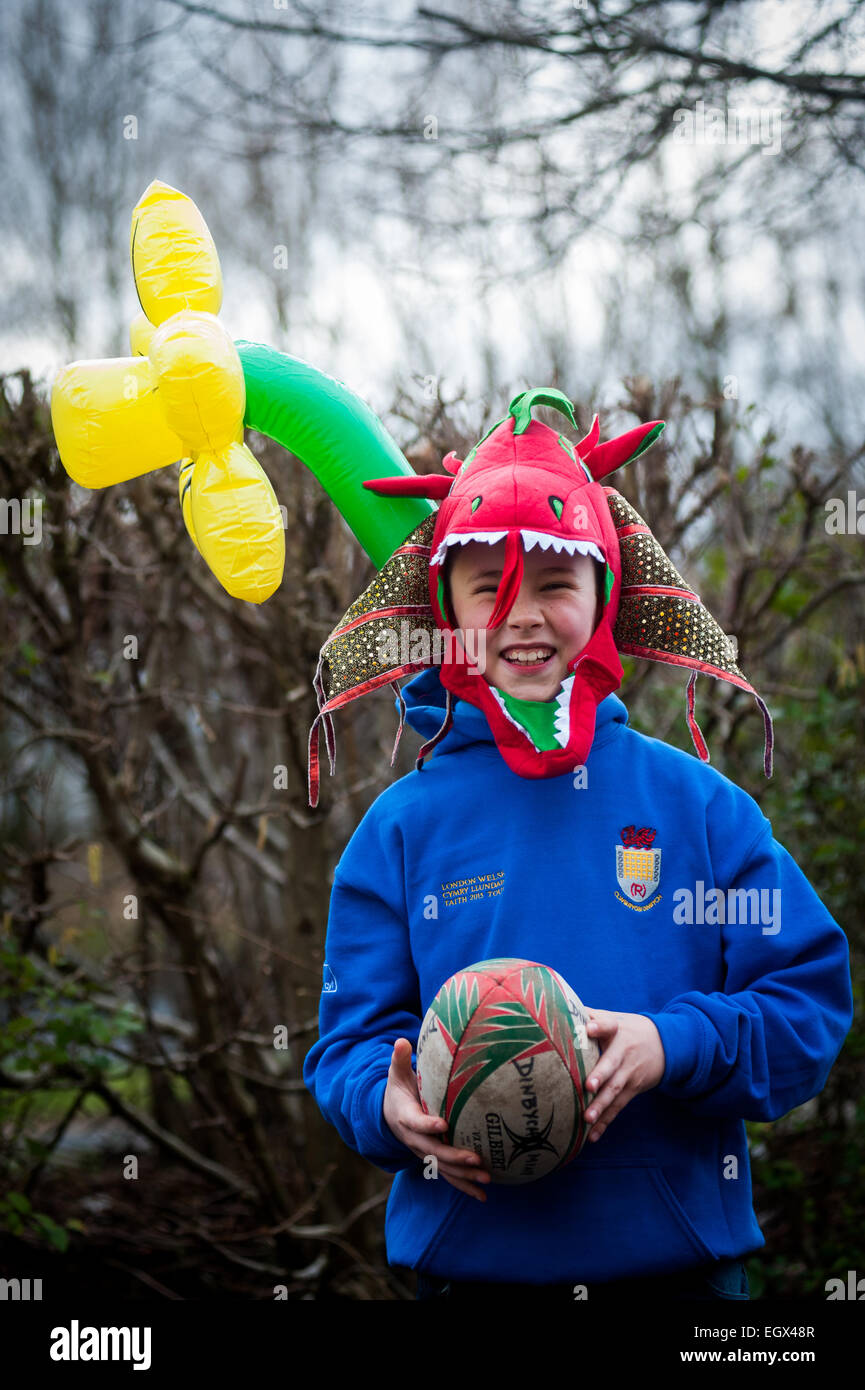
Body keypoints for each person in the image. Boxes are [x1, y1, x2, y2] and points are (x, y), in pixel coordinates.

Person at [302, 387, 853, 1300]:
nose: (521, 615)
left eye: (554, 583)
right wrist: (384, 1102)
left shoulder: (697, 809)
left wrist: (672, 1044)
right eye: (489, 587)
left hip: (678, 1279)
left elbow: (808, 1006)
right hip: (466, 1276)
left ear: (604, 596)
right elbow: (347, 1045)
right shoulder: (397, 832)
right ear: (448, 610)